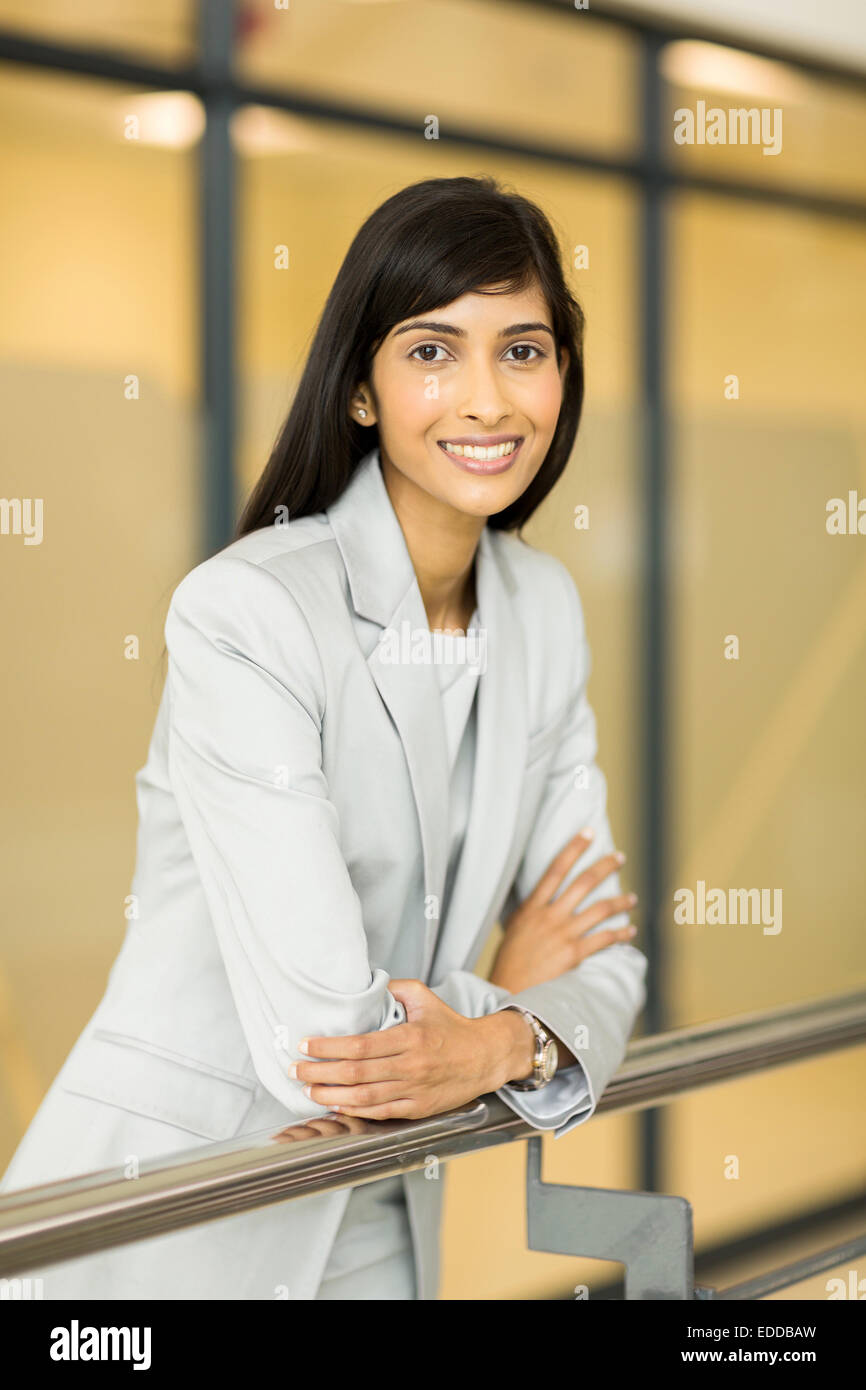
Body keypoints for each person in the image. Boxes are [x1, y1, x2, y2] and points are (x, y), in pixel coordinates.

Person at [0, 175, 647, 1300]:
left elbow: (605, 954)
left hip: (386, 1204)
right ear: (359, 390)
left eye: (524, 350)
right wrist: (509, 996)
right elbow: (322, 1037)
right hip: (189, 1204)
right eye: (432, 352)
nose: (487, 399)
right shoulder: (248, 610)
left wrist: (493, 1042)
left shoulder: (541, 609)